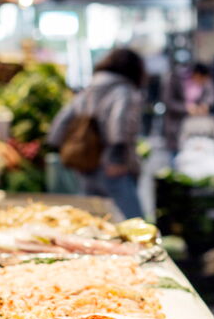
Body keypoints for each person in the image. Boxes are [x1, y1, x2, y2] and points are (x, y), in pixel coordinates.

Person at [48, 48, 146, 219]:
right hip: (112, 165)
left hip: (86, 163)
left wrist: (57, 147)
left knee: (92, 218)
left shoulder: (89, 90)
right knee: (134, 219)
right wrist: (117, 159)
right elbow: (119, 123)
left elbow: (61, 122)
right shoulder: (124, 91)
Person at [162, 62, 214, 154]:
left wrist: (205, 104)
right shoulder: (176, 78)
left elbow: (211, 94)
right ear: (197, 74)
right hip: (177, 124)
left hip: (195, 127)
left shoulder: (206, 81)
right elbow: (168, 101)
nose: (203, 82)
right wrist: (185, 108)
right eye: (202, 79)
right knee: (176, 153)